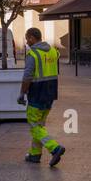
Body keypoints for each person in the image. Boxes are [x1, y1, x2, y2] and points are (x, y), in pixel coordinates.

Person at [18, 27, 65, 167]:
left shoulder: (33, 54)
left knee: (34, 125)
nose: (26, 41)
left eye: (27, 38)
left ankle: (55, 148)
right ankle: (35, 154)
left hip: (37, 93)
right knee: (39, 125)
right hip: (50, 94)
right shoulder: (52, 51)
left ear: (32, 38)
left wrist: (22, 94)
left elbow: (27, 77)